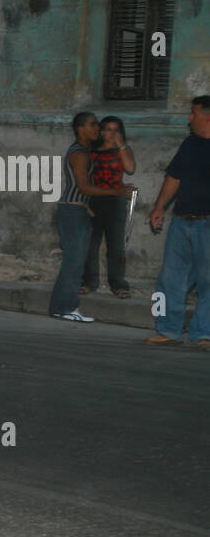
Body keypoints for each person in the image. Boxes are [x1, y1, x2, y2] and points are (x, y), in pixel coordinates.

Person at [48, 112, 137, 322]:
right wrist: (117, 192)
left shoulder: (84, 151)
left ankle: (62, 307)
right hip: (73, 209)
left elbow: (129, 167)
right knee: (75, 261)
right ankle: (66, 307)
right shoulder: (80, 154)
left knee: (75, 261)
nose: (97, 128)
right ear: (81, 128)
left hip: (79, 209)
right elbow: (83, 186)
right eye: (93, 124)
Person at [145, 95, 210, 350]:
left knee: (208, 281)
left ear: (207, 116)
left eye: (192, 114)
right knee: (168, 279)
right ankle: (167, 329)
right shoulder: (189, 144)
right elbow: (174, 177)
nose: (188, 118)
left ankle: (204, 333)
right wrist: (159, 207)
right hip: (182, 221)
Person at [81, 116, 136, 298]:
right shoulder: (91, 151)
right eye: (108, 129)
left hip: (115, 201)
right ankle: (89, 282)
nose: (112, 133)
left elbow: (130, 168)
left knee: (116, 245)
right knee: (90, 244)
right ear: (101, 131)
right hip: (94, 199)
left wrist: (121, 145)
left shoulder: (123, 151)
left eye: (116, 130)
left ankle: (118, 284)